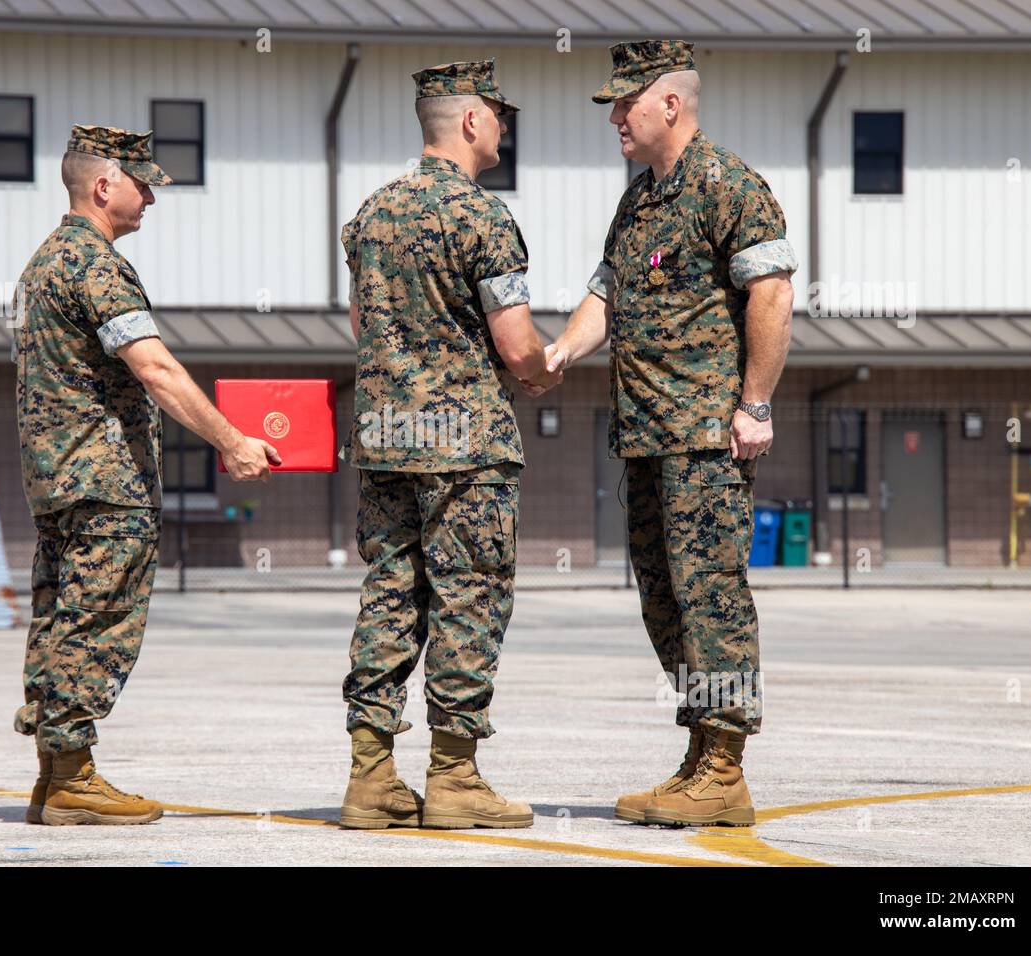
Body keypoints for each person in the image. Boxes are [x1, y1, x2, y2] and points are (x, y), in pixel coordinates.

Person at [546, 42, 796, 826]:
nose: (615, 118)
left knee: (711, 596)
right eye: (612, 106)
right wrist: (558, 350)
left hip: (704, 440)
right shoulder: (639, 203)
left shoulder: (728, 185)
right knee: (665, 601)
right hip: (646, 439)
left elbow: (774, 293)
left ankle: (725, 766)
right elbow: (605, 298)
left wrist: (754, 404)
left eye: (626, 103)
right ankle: (698, 755)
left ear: (671, 104)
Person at [13, 124, 279, 826]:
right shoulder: (95, 266)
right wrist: (231, 440)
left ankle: (53, 775)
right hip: (106, 485)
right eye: (143, 185)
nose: (151, 200)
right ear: (104, 186)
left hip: (57, 482)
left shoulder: (42, 263)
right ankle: (72, 777)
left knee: (61, 618)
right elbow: (154, 366)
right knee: (99, 622)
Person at [337, 61, 560, 830]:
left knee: (391, 593)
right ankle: (455, 777)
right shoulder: (482, 218)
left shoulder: (370, 215)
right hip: (465, 445)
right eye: (497, 115)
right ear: (470, 122)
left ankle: (370, 776)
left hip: (387, 438)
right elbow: (514, 338)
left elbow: (364, 331)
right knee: (469, 597)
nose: (502, 128)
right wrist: (541, 368)